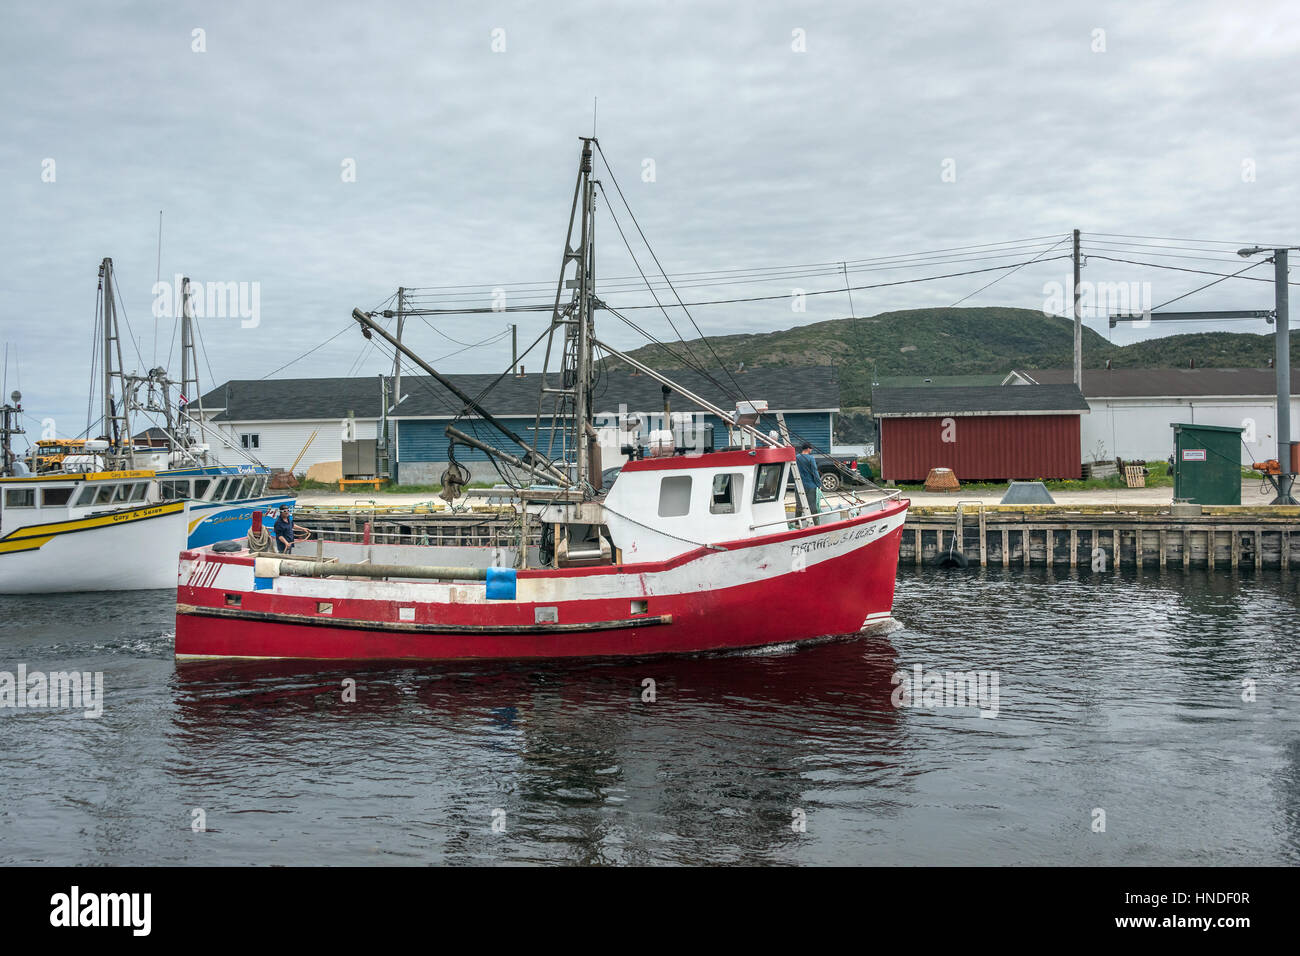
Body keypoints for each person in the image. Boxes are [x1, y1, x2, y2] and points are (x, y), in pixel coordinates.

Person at [796, 443, 822, 523]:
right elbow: (814, 472)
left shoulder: (796, 457)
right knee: (812, 505)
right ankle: (815, 523)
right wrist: (819, 484)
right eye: (811, 448)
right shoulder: (811, 458)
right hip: (810, 485)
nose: (811, 450)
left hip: (798, 485)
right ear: (807, 449)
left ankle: (797, 523)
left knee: (799, 505)